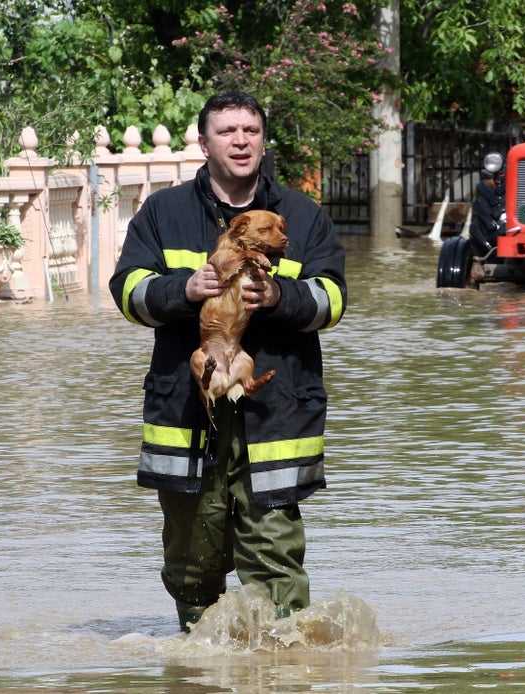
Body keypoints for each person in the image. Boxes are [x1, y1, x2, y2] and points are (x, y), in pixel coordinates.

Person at [109, 91, 347, 633]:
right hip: (187, 412)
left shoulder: (302, 216)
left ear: (263, 141)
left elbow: (333, 299)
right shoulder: (164, 213)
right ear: (204, 142)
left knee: (275, 559)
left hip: (275, 413)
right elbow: (127, 292)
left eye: (251, 131)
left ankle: (284, 660)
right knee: (193, 563)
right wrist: (182, 289)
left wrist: (281, 297)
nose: (241, 141)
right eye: (227, 131)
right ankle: (198, 664)